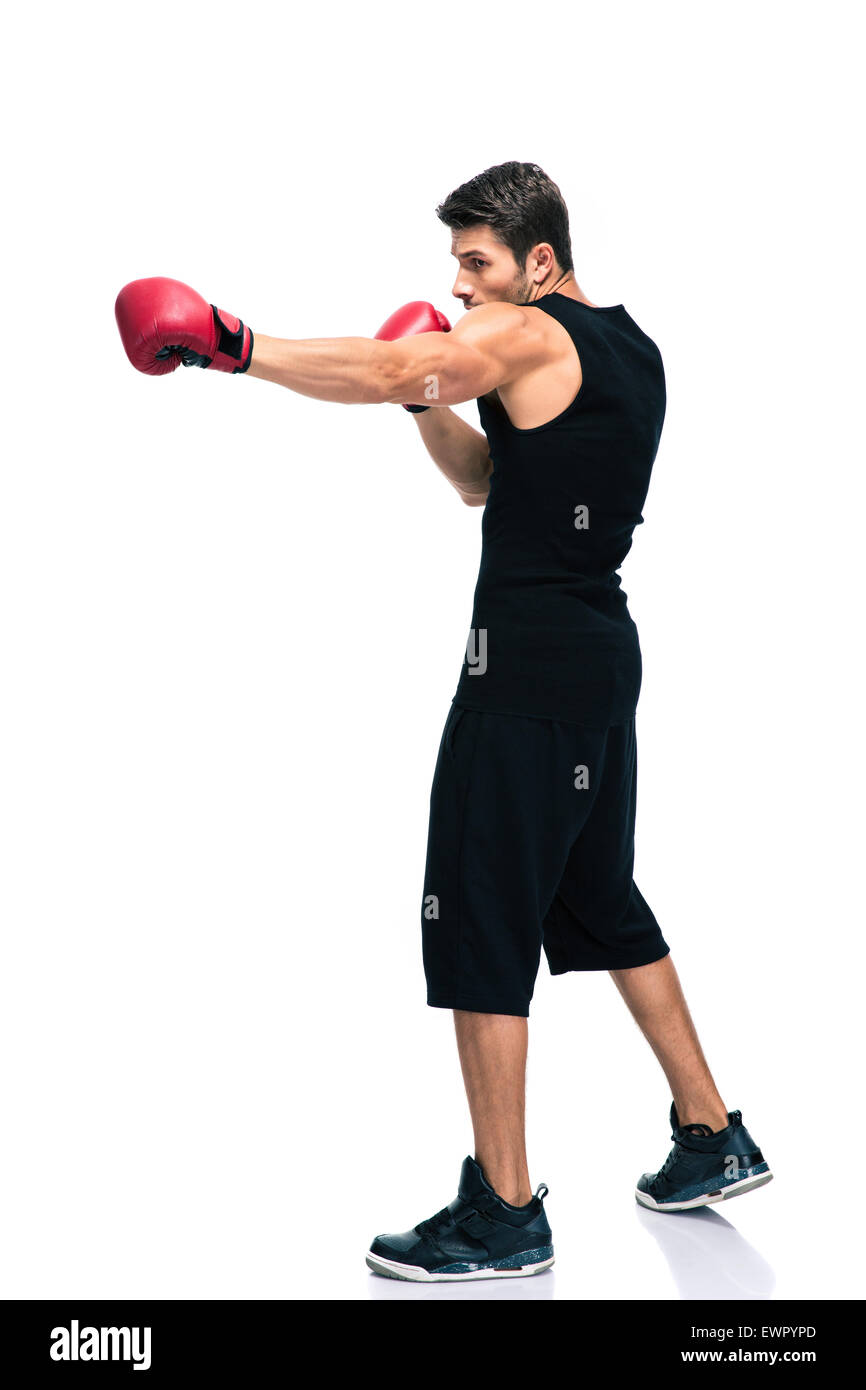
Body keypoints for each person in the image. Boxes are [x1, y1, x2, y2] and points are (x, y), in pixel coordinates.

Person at [114, 160, 773, 1287]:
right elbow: (486, 481)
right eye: (455, 268)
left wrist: (232, 341)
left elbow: (383, 369)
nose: (460, 289)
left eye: (477, 265)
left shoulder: (524, 334)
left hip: (520, 673)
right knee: (598, 897)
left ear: (540, 264)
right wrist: (430, 409)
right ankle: (710, 1131)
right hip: (600, 658)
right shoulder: (628, 348)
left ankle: (504, 1212)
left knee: (478, 913)